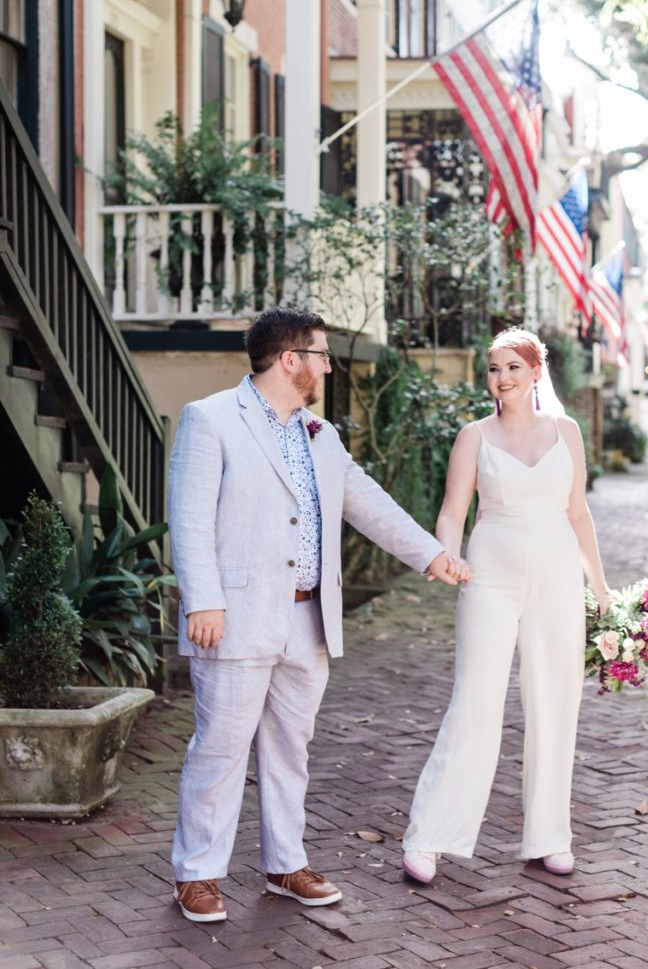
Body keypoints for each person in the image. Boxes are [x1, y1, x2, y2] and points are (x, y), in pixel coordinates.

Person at [168, 308, 469, 924]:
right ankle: (196, 874)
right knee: (220, 750)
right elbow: (189, 518)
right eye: (322, 355)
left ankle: (285, 864)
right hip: (235, 616)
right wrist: (203, 600)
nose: (328, 367)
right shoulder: (211, 418)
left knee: (291, 751)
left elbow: (368, 503)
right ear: (290, 360)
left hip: (308, 621)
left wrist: (432, 555)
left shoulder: (321, 435)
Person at [401, 328, 610, 884]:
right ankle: (429, 837)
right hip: (489, 578)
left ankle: (550, 836)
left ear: (536, 372)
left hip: (558, 578)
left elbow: (578, 512)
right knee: (475, 700)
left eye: (514, 367)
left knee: (555, 702)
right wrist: (448, 554)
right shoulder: (474, 436)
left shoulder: (567, 432)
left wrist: (600, 587)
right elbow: (453, 511)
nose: (503, 378)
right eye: (495, 369)